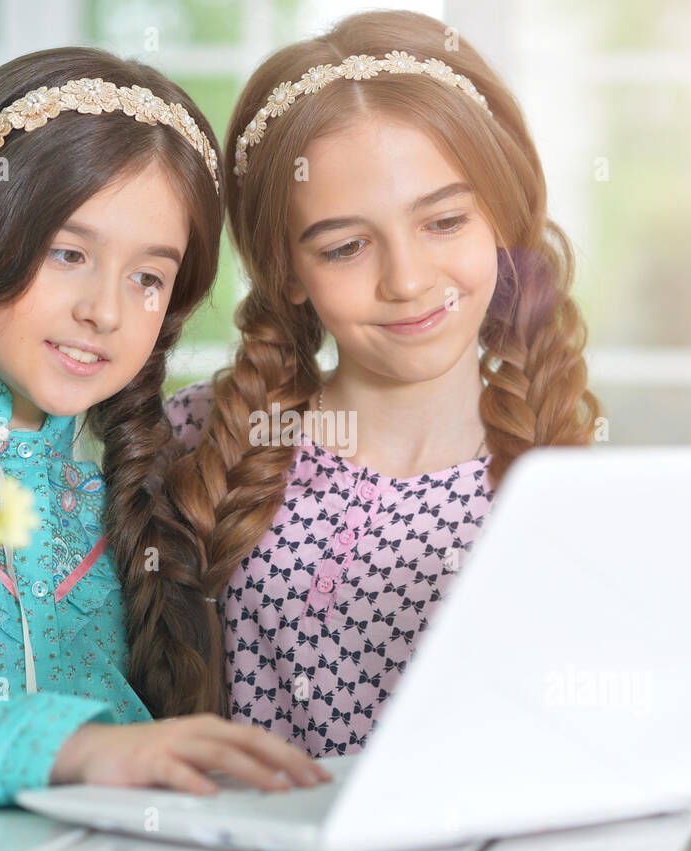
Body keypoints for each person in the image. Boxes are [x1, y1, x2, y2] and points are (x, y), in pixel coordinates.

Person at [0, 46, 327, 808]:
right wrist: (64, 746)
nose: (105, 311)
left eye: (148, 277)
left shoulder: (132, 500)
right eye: (69, 252)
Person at [167, 11, 603, 757]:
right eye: (345, 247)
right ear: (287, 272)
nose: (405, 280)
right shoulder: (203, 435)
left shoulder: (570, 477)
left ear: (499, 220)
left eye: (444, 222)